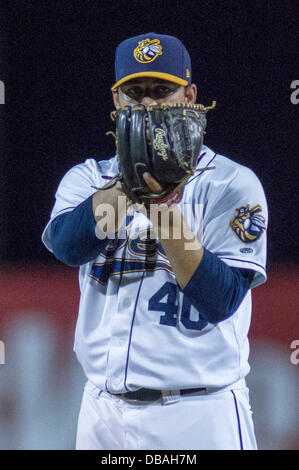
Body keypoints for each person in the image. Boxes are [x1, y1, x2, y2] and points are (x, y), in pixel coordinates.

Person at [42, 32, 268, 450]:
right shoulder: (89, 178)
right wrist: (130, 188)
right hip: (102, 413)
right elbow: (67, 246)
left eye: (162, 90)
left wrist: (162, 208)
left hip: (199, 414)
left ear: (191, 96)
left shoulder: (230, 184)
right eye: (134, 92)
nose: (147, 103)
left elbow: (221, 300)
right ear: (116, 101)